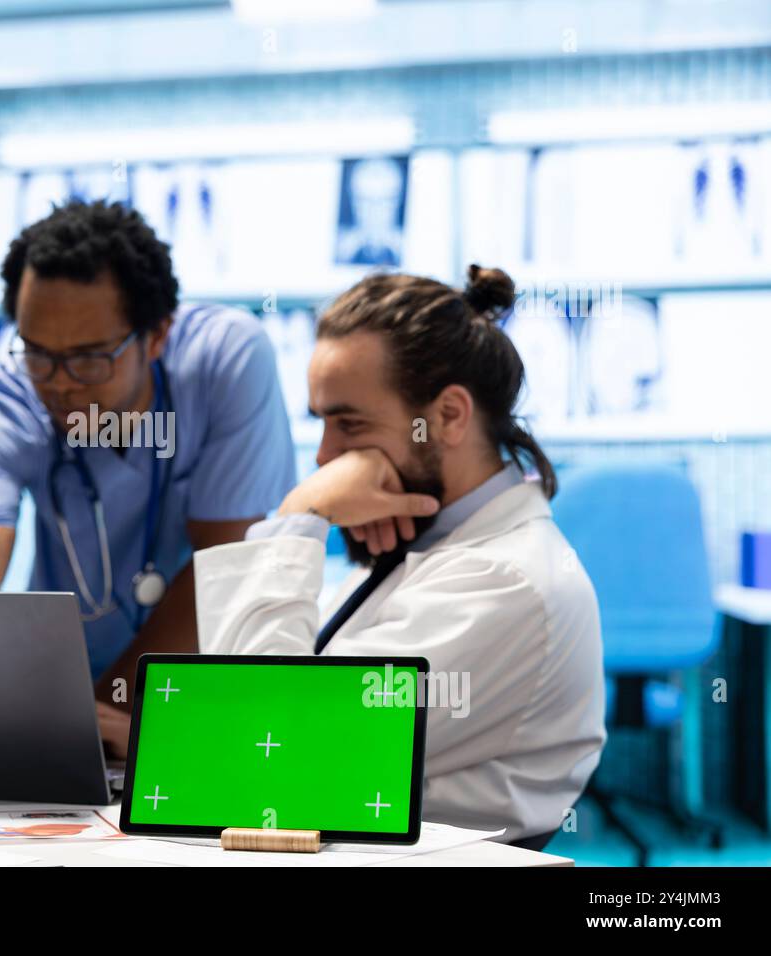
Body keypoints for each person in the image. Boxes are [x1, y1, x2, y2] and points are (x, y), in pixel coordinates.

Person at [134, 265, 605, 844]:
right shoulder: (423, 544)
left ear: (449, 416)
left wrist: (299, 516)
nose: (327, 455)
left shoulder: (504, 581)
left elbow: (267, 757)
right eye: (323, 424)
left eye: (349, 424)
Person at [0, 200, 295, 711]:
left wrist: (98, 719)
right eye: (37, 353)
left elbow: (223, 565)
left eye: (88, 359)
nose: (58, 383)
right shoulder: (4, 402)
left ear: (156, 337)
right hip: (61, 695)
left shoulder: (224, 362)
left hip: (198, 692)